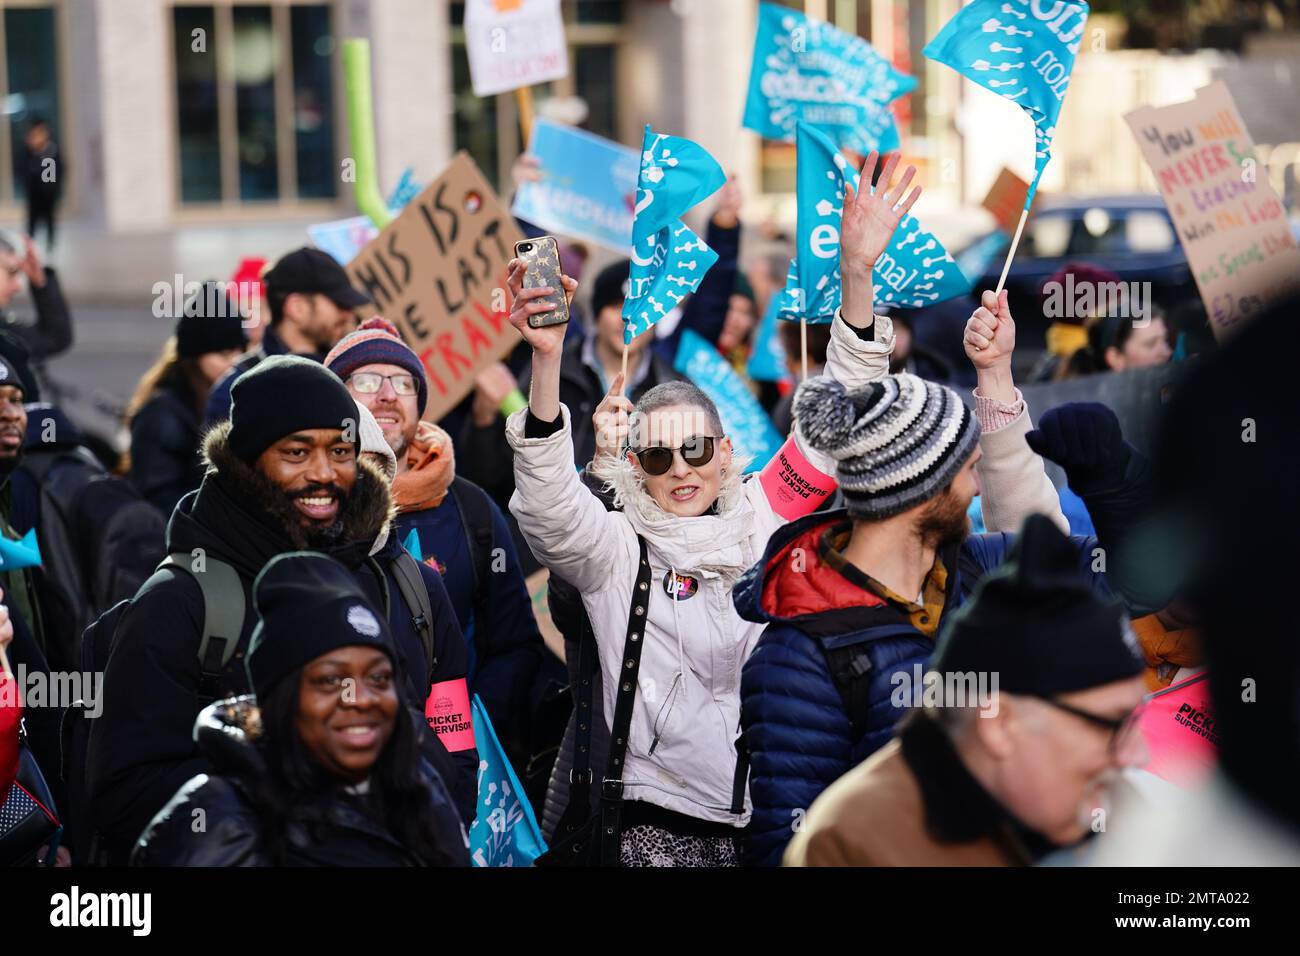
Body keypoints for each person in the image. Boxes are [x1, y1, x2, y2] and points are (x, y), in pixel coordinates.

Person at [507, 151, 923, 866]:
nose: (682, 470)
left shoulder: (769, 510)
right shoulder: (616, 547)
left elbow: (842, 406)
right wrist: (547, 362)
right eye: (659, 456)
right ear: (635, 464)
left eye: (696, 449)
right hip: (647, 828)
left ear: (727, 452)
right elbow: (546, 505)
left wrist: (859, 272)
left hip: (766, 819)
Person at [735, 290, 1156, 866]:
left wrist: (1112, 480)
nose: (979, 489)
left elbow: (1137, 590)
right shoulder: (797, 654)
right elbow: (790, 850)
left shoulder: (979, 570)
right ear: (920, 490)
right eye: (967, 471)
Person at [87, 355, 474, 864]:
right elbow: (125, 796)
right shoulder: (179, 602)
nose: (323, 473)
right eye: (296, 452)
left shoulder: (395, 583)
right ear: (247, 462)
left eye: (340, 450)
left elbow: (455, 755)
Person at [784, 514, 1147, 866]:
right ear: (999, 722)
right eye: (1110, 725)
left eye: (1134, 721)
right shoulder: (853, 844)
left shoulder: (1121, 808)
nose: (1137, 756)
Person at [326, 317, 563, 767]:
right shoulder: (312, 503)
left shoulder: (469, 509)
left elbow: (514, 644)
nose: (387, 394)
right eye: (367, 380)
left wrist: (466, 736)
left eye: (403, 383)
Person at [132, 551, 469, 867]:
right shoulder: (220, 824)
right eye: (329, 680)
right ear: (281, 698)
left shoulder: (421, 789)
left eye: (379, 677)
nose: (361, 698)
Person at [204, 247, 370, 425]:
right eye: (339, 303)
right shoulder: (236, 391)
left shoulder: (355, 376)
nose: (348, 314)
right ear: (297, 308)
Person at [127, 280, 248, 515]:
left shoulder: (218, 397)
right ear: (195, 356)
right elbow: (158, 498)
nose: (235, 362)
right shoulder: (161, 414)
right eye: (224, 354)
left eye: (240, 351)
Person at [0, 233, 72, 386]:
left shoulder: (4, 333)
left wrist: (41, 283)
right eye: (11, 273)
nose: (18, 286)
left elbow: (53, 338)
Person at [23, 119, 60, 251]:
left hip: (47, 194)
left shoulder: (50, 150)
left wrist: (51, 189)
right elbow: (25, 171)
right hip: (34, 193)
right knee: (32, 221)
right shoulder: (29, 152)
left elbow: (51, 176)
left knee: (49, 219)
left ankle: (50, 245)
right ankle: (30, 246)